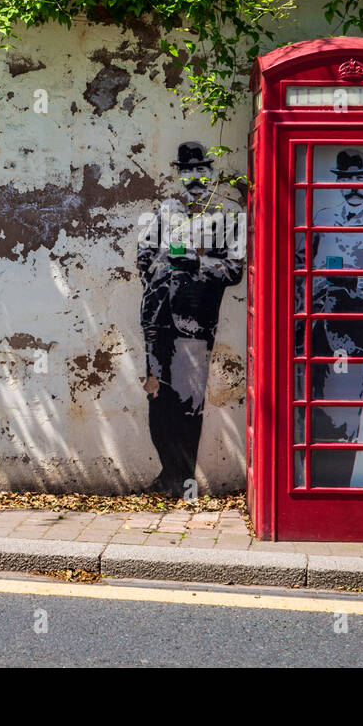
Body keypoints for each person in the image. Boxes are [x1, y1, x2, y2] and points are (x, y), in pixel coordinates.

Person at [138, 142, 244, 496]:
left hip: (196, 320)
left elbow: (234, 270)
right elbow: (144, 253)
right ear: (179, 173)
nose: (193, 177)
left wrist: (197, 265)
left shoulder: (230, 213)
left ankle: (184, 480)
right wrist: (157, 275)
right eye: (186, 170)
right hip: (156, 315)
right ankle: (168, 474)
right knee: (158, 396)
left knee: (188, 401)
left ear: (210, 172)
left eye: (200, 170)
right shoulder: (167, 208)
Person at [297, 149, 363, 487]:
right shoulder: (321, 217)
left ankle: (335, 490)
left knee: (341, 419)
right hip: (309, 334)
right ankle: (310, 489)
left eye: (359, 179)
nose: (353, 186)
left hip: (352, 338)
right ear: (338, 182)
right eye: (346, 179)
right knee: (308, 417)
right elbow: (296, 267)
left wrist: (347, 279)